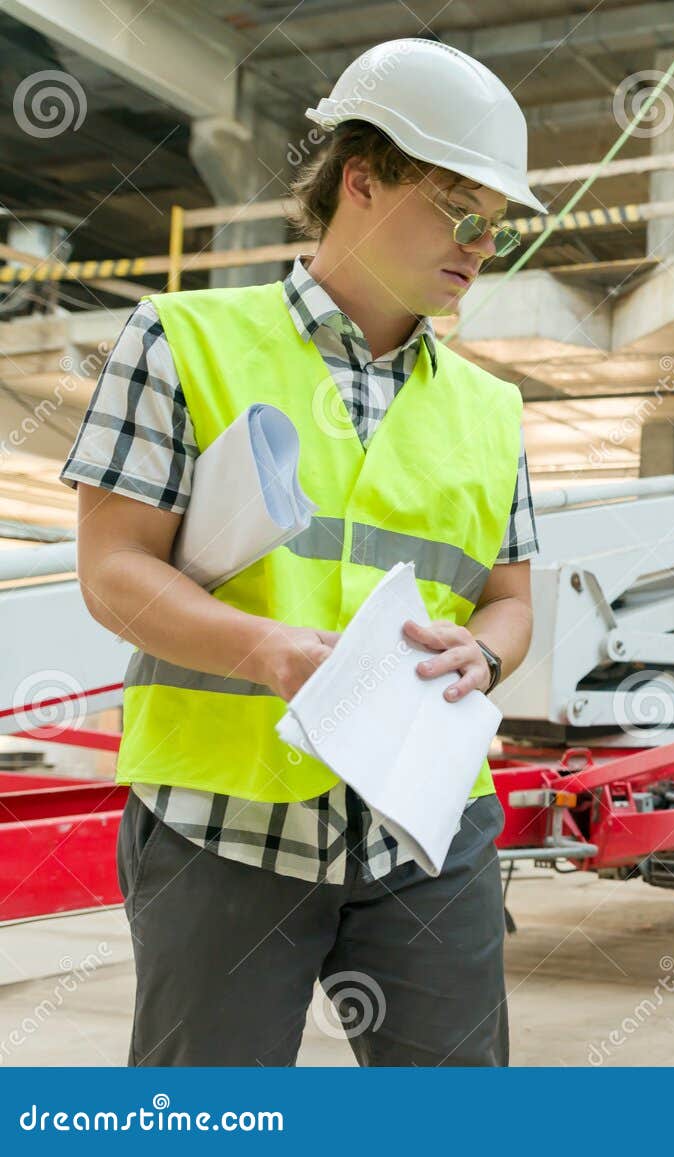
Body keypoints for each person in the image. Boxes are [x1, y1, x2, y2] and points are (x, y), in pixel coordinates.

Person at [64, 39, 544, 1066]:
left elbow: (510, 598)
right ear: (361, 182)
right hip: (221, 822)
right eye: (463, 212)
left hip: (427, 825)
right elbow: (112, 570)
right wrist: (266, 652)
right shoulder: (181, 339)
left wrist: (489, 655)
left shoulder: (491, 407)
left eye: (495, 229)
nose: (479, 245)